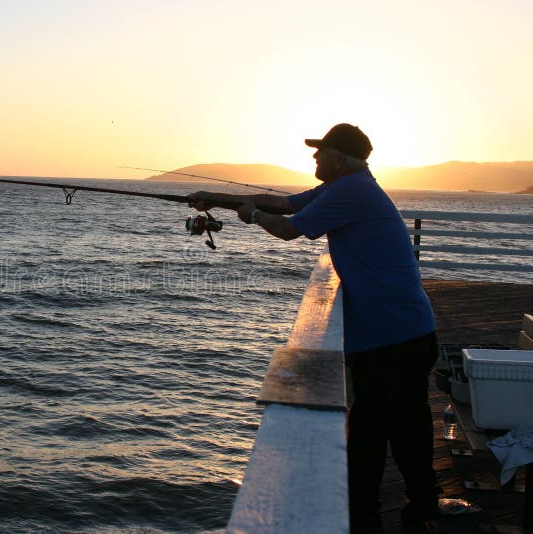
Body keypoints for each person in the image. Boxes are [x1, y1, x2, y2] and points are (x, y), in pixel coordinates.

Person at [188, 124, 439, 532]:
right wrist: (216, 198)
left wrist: (252, 217)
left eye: (322, 152)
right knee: (408, 421)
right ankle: (423, 501)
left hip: (390, 335)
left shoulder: (349, 191)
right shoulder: (347, 187)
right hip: (408, 327)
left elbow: (288, 228)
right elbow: (282, 203)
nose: (315, 159)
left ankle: (363, 515)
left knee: (370, 430)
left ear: (341, 157)